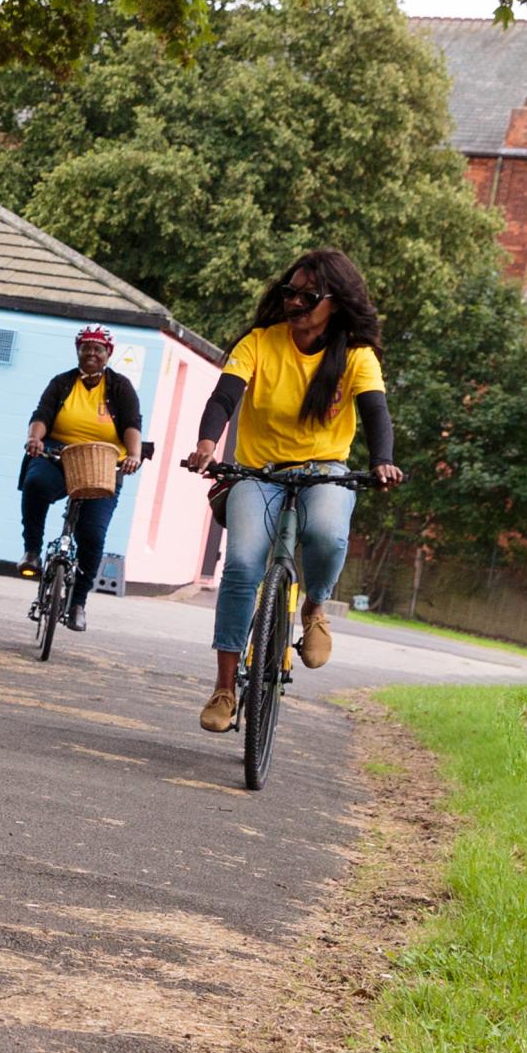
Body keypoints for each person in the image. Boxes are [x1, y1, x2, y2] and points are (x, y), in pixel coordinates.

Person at [182, 250, 403, 732]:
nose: (296, 302)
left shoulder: (356, 356)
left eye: (309, 296)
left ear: (336, 304)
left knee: (327, 534)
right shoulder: (260, 342)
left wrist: (382, 461)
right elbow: (224, 396)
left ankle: (315, 606)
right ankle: (224, 688)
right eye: (290, 293)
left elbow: (375, 413)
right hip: (258, 470)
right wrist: (206, 443)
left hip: (326, 469)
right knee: (241, 565)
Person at [18, 325, 144, 631]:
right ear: (77, 350)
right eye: (85, 347)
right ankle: (32, 552)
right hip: (58, 455)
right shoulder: (62, 383)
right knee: (36, 484)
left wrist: (133, 455)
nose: (91, 353)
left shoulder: (120, 387)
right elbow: (42, 415)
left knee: (92, 534)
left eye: (98, 349)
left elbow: (132, 424)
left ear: (108, 354)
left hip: (103, 462)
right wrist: (35, 439)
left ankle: (77, 604)